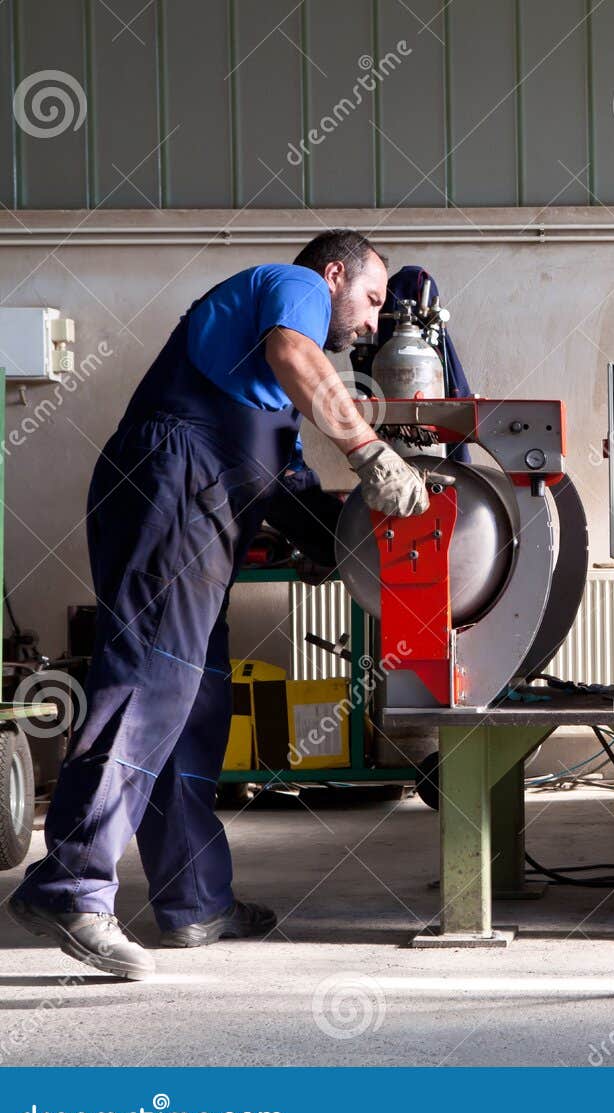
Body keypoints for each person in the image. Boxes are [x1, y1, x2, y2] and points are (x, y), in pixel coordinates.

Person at [7, 229, 428, 980]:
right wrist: (371, 455)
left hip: (198, 501)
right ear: (334, 274)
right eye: (369, 299)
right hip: (171, 484)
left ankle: (194, 896)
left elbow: (284, 480)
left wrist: (342, 542)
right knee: (151, 679)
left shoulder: (272, 395)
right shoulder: (290, 290)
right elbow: (295, 358)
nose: (371, 322)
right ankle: (69, 886)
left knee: (197, 697)